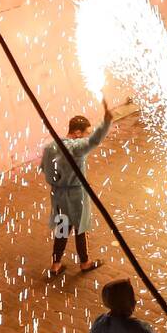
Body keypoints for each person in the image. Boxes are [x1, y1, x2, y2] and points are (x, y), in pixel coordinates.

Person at [43, 99, 112, 276]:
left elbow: (47, 171)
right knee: (80, 228)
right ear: (77, 133)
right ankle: (85, 263)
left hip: (58, 194)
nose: (87, 137)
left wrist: (58, 182)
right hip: (76, 195)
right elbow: (95, 140)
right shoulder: (77, 147)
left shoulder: (50, 147)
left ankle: (56, 265)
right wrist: (106, 122)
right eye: (85, 133)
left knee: (62, 228)